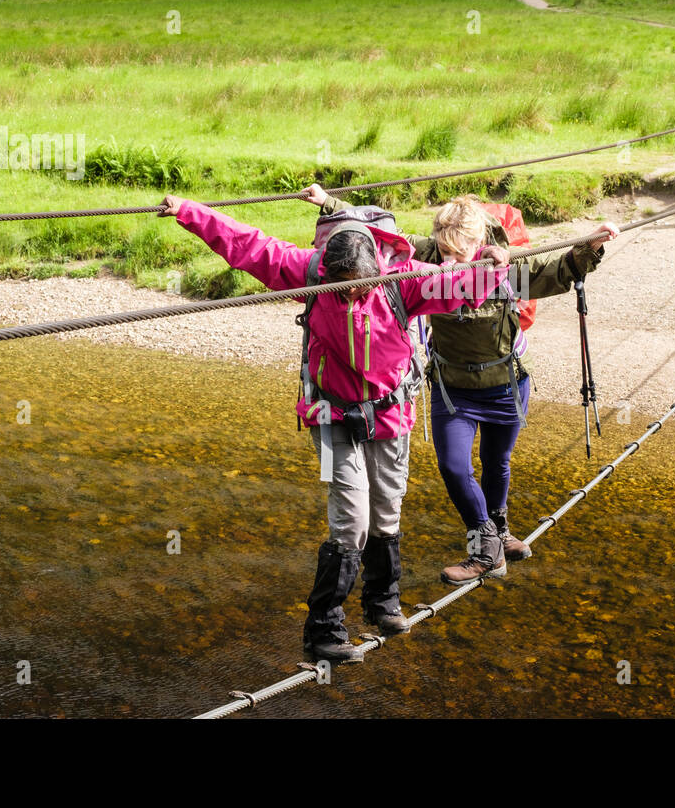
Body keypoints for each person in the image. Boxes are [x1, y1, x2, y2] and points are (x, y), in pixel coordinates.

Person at [160, 193, 509, 663]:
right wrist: (189, 212)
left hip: (391, 416)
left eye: (357, 288)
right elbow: (246, 244)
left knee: (386, 511)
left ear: (375, 273)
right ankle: (324, 629)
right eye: (339, 286)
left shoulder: (401, 282)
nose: (348, 295)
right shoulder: (305, 272)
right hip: (331, 419)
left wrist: (493, 265)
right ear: (325, 272)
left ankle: (382, 603)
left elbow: (458, 284)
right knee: (351, 521)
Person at [305, 186, 620, 585]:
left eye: (459, 253)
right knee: (454, 467)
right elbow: (375, 231)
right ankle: (485, 548)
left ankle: (499, 534)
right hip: (453, 387)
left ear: (480, 241)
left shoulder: (510, 268)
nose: (451, 263)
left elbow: (560, 270)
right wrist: (329, 203)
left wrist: (590, 246)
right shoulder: (422, 258)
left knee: (496, 462)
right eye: (444, 251)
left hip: (505, 383)